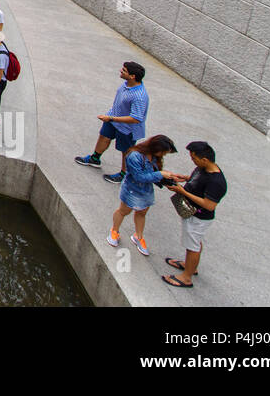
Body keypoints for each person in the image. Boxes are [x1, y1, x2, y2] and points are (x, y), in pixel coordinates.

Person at [159, 141, 227, 288]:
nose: (193, 161)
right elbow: (199, 181)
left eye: (194, 158)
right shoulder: (204, 169)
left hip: (199, 217)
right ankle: (189, 265)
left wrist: (183, 191)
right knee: (194, 243)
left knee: (193, 245)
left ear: (205, 159)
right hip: (193, 214)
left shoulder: (217, 182)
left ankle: (186, 278)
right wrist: (185, 178)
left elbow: (209, 205)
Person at [75, 61, 150, 181]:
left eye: (124, 70)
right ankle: (95, 158)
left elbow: (136, 118)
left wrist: (111, 118)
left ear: (132, 76)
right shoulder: (126, 84)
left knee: (127, 151)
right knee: (104, 136)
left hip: (127, 128)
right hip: (113, 119)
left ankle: (124, 174)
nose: (121, 71)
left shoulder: (139, 96)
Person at [108, 135, 177, 257]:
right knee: (124, 211)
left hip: (145, 191)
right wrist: (160, 174)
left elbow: (151, 174)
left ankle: (138, 236)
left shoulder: (153, 157)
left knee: (141, 213)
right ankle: (114, 230)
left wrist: (168, 178)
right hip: (132, 189)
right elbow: (139, 177)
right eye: (162, 153)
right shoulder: (135, 156)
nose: (162, 156)